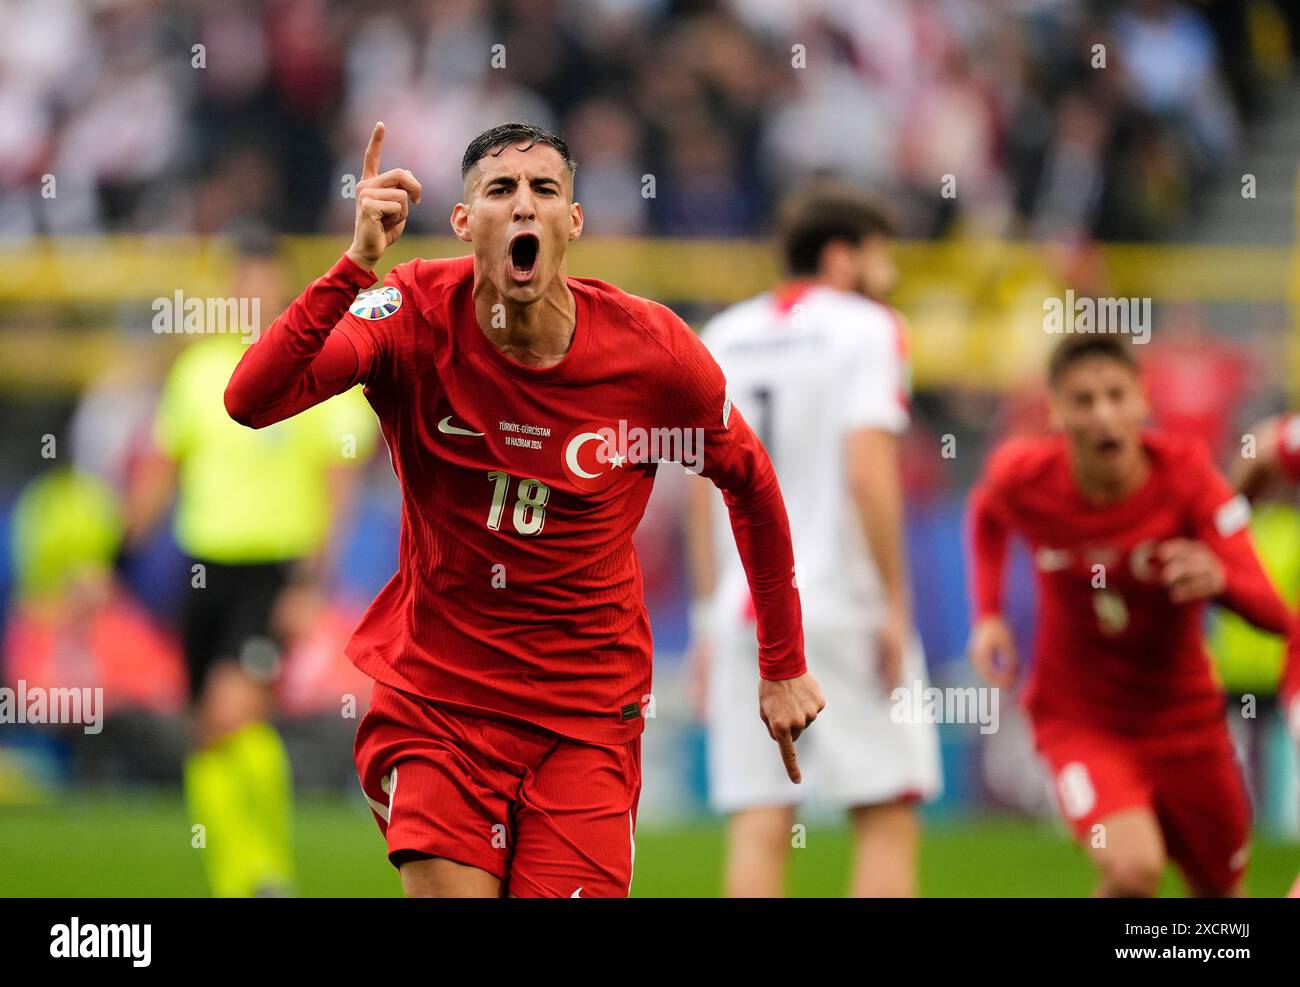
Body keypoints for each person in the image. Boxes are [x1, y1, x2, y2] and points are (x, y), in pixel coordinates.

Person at [223, 121, 825, 898]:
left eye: (545, 190)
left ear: (573, 221)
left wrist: (782, 661)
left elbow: (749, 482)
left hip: (585, 719)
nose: (524, 207)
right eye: (500, 190)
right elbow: (251, 398)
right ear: (465, 220)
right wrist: (356, 265)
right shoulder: (407, 314)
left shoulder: (651, 356)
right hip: (440, 705)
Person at [967, 333, 1291, 897]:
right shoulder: (1026, 476)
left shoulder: (1189, 481)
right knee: (1132, 869)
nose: (1104, 416)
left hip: (1186, 722)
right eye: (1084, 401)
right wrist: (989, 613)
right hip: (1080, 720)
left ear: (1144, 402)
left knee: (1221, 899)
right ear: (1056, 411)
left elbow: (1274, 612)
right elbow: (986, 512)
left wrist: (1221, 582)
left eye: (1117, 396)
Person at [685, 186, 940, 897]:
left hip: (746, 614)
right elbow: (868, 468)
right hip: (841, 601)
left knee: (761, 824)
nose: (887, 277)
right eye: (880, 259)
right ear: (841, 257)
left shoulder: (724, 334)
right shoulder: (868, 325)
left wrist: (709, 616)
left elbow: (697, 492)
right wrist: (894, 602)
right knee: (887, 812)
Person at [124, 237, 377, 897]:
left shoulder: (316, 368)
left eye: (266, 285)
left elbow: (340, 482)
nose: (253, 297)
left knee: (237, 713)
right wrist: (117, 550)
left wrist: (309, 582)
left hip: (274, 568)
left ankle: (266, 870)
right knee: (204, 726)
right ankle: (234, 878)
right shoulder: (199, 372)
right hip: (204, 564)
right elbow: (164, 465)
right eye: (244, 283)